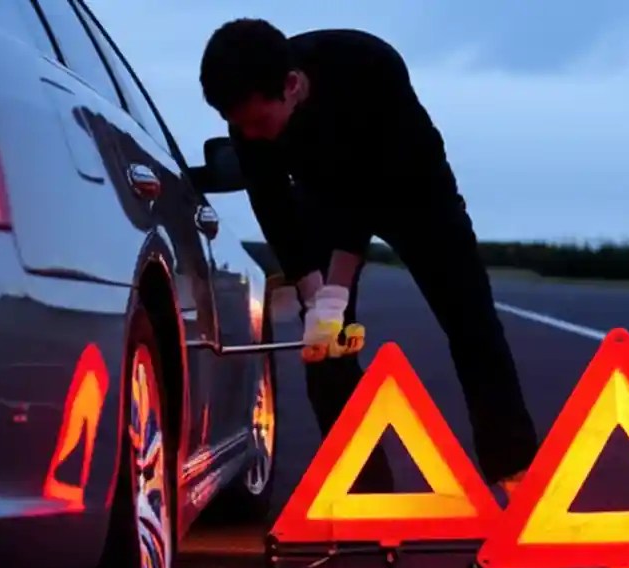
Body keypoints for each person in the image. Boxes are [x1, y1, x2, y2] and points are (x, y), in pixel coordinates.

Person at [199, 19, 538, 499]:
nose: (253, 136)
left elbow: (367, 196)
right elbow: (273, 206)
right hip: (321, 197)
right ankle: (364, 486)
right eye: (241, 127)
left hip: (414, 189)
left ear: (291, 86)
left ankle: (515, 467)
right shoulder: (249, 120)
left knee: (472, 320)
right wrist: (314, 297)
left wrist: (335, 289)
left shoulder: (370, 66)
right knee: (323, 343)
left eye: (259, 123)